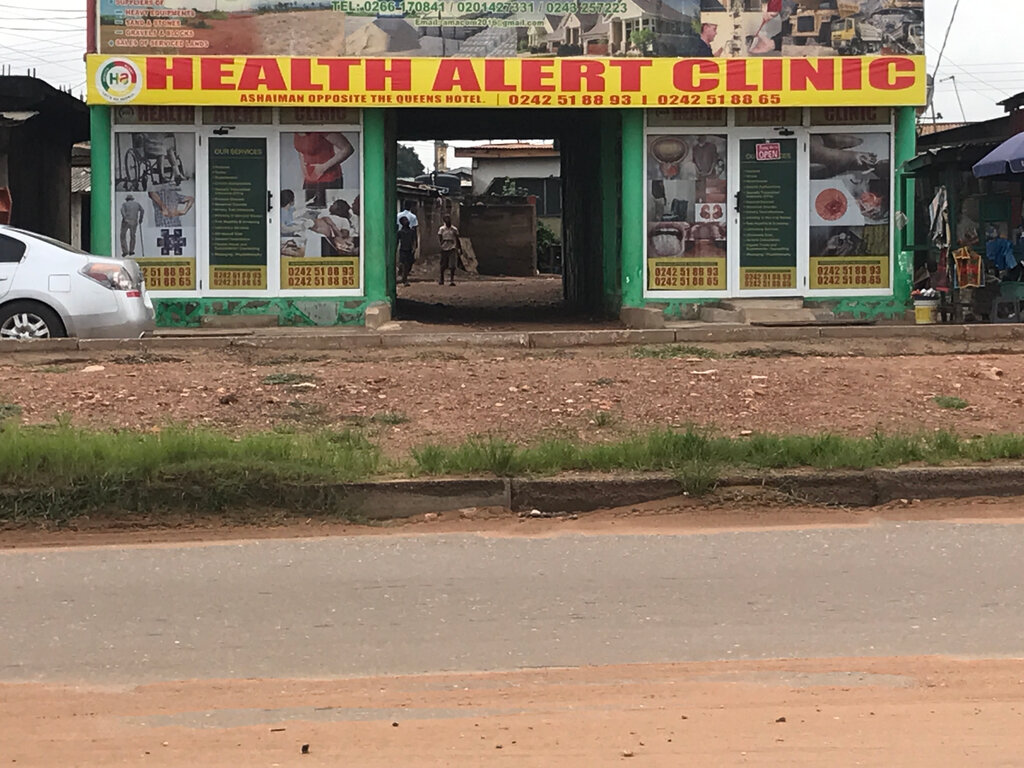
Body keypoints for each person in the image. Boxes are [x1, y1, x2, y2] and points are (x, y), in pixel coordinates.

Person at [293, 132, 354, 207]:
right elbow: (301, 151)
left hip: (329, 178)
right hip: (310, 179)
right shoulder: (296, 131)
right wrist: (304, 171)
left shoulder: (322, 130)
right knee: (309, 211)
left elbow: (347, 149)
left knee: (328, 211)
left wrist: (323, 167)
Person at [437, 214, 462, 286]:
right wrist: (441, 245)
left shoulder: (454, 229)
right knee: (443, 264)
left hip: (452, 247)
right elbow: (440, 238)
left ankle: (452, 280)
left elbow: (457, 239)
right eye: (446, 219)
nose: (448, 221)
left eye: (449, 219)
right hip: (444, 247)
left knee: (452, 265)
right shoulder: (441, 229)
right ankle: (441, 278)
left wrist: (459, 248)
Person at [397, 215, 417, 286]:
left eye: (407, 220)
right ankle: (404, 279)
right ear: (402, 223)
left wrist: (414, 248)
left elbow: (414, 240)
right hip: (403, 250)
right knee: (404, 264)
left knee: (409, 265)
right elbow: (397, 241)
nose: (407, 221)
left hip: (410, 250)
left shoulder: (412, 231)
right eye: (405, 220)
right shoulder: (400, 232)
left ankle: (404, 276)